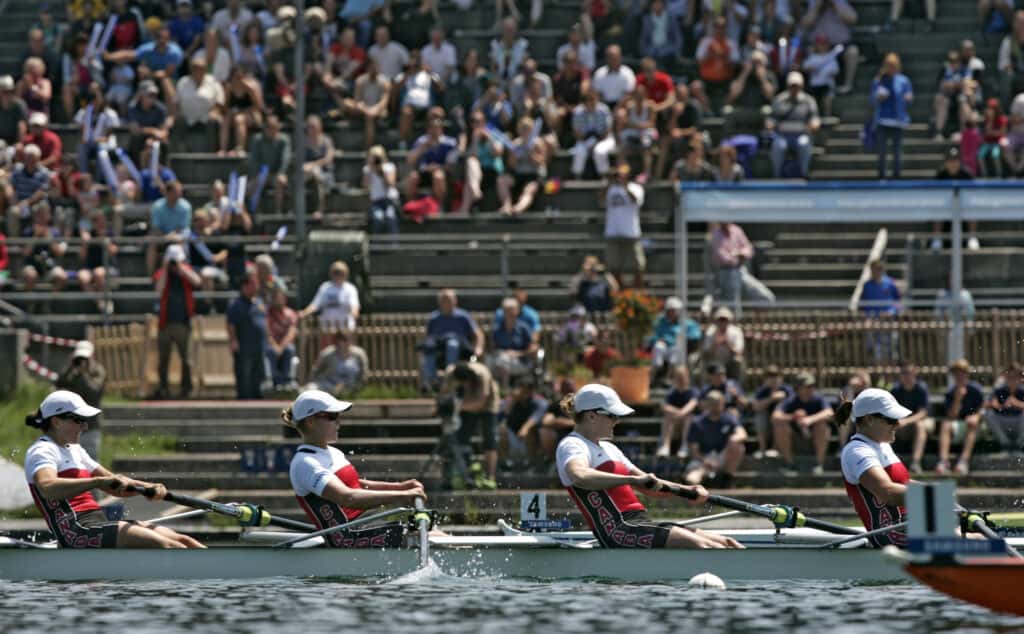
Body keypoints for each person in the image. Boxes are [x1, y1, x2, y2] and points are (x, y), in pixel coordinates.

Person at [555, 383, 743, 549]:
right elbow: (579, 475)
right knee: (702, 545)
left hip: (639, 524)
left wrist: (688, 490)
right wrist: (633, 479)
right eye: (612, 416)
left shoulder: (609, 448)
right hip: (617, 531)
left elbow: (650, 486)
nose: (617, 421)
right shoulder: (573, 445)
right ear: (591, 416)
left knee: (721, 542)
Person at [24, 390, 204, 548]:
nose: (84, 426)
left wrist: (150, 487)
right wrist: (97, 482)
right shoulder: (42, 451)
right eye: (78, 420)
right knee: (168, 545)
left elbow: (115, 484)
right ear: (56, 422)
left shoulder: (76, 451)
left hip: (98, 523)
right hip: (75, 532)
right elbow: (47, 487)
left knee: (184, 540)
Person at [284, 390, 427, 548]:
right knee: (422, 534)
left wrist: (400, 487)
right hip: (345, 538)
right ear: (310, 421)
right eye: (332, 417)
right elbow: (348, 497)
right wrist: (402, 496)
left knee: (430, 530)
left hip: (365, 523)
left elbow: (355, 485)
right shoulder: (305, 463)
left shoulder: (331, 452)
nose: (339, 422)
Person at [836, 388, 912, 547]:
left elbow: (906, 485)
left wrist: (942, 495)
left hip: (909, 526)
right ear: (870, 419)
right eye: (891, 420)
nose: (898, 424)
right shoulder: (856, 451)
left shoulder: (882, 445)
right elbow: (887, 492)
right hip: (890, 535)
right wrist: (935, 497)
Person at [441, 361, 501, 488]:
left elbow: (480, 403)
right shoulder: (450, 372)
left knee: (490, 440)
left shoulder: (482, 374)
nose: (464, 385)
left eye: (465, 383)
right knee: (462, 437)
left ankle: (490, 477)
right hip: (466, 402)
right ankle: (465, 473)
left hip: (488, 403)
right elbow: (444, 393)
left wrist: (457, 407)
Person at [153, 244, 201, 399]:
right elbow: (159, 291)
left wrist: (181, 269)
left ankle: (186, 389)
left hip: (183, 323)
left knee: (187, 360)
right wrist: (167, 270)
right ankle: (163, 389)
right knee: (163, 360)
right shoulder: (162, 273)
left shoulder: (185, 271)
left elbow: (197, 281)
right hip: (165, 323)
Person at [772, 372, 835, 476]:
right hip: (795, 440)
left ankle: (819, 464)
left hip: (815, 439)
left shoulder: (818, 399)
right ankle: (790, 464)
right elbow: (775, 416)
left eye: (812, 386)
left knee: (822, 426)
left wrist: (810, 419)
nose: (810, 389)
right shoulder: (791, 400)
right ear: (798, 388)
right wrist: (793, 417)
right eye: (807, 386)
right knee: (780, 427)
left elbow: (830, 413)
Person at [421, 289, 485, 390]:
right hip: (440, 350)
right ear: (439, 302)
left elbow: (478, 334)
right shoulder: (434, 318)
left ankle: (450, 377)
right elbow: (428, 337)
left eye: (450, 300)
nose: (448, 303)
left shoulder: (463, 316)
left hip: (461, 350)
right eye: (444, 300)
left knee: (452, 344)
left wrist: (479, 348)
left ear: (455, 301)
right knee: (429, 351)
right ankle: (431, 382)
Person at [55, 341, 107, 460]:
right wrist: (70, 367)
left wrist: (83, 375)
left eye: (84, 359)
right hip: (71, 426)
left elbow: (94, 392)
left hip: (90, 424)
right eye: (79, 358)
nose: (81, 362)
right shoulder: (71, 372)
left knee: (91, 461)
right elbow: (59, 384)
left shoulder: (98, 371)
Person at [684, 391, 747, 488]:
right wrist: (706, 461)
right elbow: (694, 451)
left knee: (738, 446)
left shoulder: (729, 419)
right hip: (702, 458)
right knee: (692, 479)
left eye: (718, 404)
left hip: (722, 456)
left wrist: (733, 439)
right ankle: (703, 485)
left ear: (723, 404)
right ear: (707, 405)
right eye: (713, 404)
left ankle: (727, 479)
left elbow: (742, 434)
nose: (716, 407)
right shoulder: (697, 423)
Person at [936, 358, 985, 475]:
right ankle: (943, 461)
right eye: (956, 373)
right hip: (959, 425)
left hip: (977, 426)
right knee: (945, 424)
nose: (959, 375)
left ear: (967, 373)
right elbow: (951, 416)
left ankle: (964, 461)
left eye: (962, 372)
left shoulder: (976, 389)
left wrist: (976, 416)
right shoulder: (951, 392)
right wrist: (958, 399)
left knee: (972, 424)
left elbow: (984, 409)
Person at [766, 72, 820, 178]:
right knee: (778, 145)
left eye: (797, 86)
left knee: (803, 143)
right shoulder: (779, 100)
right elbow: (772, 117)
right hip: (782, 135)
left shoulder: (809, 100)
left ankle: (804, 173)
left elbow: (815, 117)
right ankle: (777, 175)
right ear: (788, 86)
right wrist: (770, 123)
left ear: (802, 86)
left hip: (801, 134)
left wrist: (814, 124)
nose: (794, 88)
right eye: (792, 86)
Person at [711, 222, 775, 306]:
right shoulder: (716, 234)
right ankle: (736, 316)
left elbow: (748, 249)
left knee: (767, 297)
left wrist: (739, 253)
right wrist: (736, 255)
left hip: (741, 271)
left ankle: (754, 315)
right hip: (725, 273)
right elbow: (721, 256)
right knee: (732, 306)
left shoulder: (736, 230)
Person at [872, 53, 914, 179]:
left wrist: (908, 97)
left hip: (898, 120)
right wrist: (878, 97)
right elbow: (872, 99)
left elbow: (909, 97)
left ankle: (897, 176)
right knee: (882, 151)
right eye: (889, 65)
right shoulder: (878, 80)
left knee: (897, 151)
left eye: (893, 65)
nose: (891, 68)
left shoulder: (904, 80)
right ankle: (881, 176)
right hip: (882, 121)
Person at [603, 163, 645, 289]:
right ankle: (620, 293)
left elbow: (635, 201)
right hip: (613, 232)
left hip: (631, 232)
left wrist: (625, 186)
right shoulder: (610, 189)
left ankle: (638, 292)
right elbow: (600, 199)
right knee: (614, 266)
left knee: (638, 265)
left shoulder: (636, 188)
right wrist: (608, 183)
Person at [226, 273, 267, 400]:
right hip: (244, 345)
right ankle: (244, 399)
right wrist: (233, 341)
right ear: (245, 286)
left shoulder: (259, 301)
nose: (256, 287)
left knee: (258, 373)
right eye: (253, 284)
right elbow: (230, 324)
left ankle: (257, 397)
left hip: (258, 345)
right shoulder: (236, 304)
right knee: (244, 374)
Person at [889, 361, 933, 474]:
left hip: (920, 423)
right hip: (902, 425)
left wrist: (906, 421)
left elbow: (923, 413)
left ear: (915, 374)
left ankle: (915, 462)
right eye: (904, 373)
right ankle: (886, 463)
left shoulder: (922, 388)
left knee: (920, 425)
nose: (907, 376)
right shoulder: (895, 389)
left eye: (909, 373)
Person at [500, 376, 550, 467]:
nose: (524, 393)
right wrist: (513, 400)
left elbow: (536, 417)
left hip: (529, 437)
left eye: (528, 389)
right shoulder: (511, 400)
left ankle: (530, 464)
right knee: (501, 430)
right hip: (512, 434)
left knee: (531, 430)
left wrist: (525, 428)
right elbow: (503, 414)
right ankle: (506, 464)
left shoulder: (540, 402)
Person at [299, 260, 360, 330]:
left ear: (346, 274)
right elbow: (315, 305)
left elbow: (354, 306)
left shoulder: (350, 288)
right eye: (336, 273)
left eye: (341, 273)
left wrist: (355, 313)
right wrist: (304, 313)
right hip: (327, 327)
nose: (338, 275)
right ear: (331, 273)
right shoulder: (325, 287)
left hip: (345, 327)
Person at [570, 89, 616, 180]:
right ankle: (577, 176)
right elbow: (576, 132)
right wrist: (587, 141)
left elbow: (608, 130)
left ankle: (604, 176)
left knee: (599, 151)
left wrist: (596, 142)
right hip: (584, 139)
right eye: (588, 100)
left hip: (604, 139)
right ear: (584, 102)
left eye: (593, 100)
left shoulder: (604, 110)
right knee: (579, 152)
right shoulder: (577, 112)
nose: (591, 103)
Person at [306, 330, 369, 395]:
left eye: (345, 340)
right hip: (329, 385)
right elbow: (316, 369)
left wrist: (359, 385)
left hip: (351, 386)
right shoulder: (327, 354)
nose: (342, 343)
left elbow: (364, 373)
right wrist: (313, 380)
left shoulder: (359, 354)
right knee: (310, 388)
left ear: (350, 341)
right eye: (339, 341)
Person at [656, 365, 699, 458]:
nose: (681, 380)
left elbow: (692, 405)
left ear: (687, 377)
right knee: (668, 417)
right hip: (675, 425)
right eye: (678, 377)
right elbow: (664, 406)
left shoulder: (693, 391)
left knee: (688, 418)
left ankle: (684, 446)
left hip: (688, 425)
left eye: (683, 377)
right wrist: (678, 413)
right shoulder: (672, 392)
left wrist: (680, 413)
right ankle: (665, 446)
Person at [751, 364, 792, 459]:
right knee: (759, 416)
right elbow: (756, 407)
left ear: (781, 378)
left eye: (776, 376)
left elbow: (792, 407)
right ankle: (762, 449)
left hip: (785, 422)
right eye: (770, 376)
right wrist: (771, 399)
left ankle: (776, 448)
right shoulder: (762, 391)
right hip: (767, 422)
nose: (773, 379)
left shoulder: (787, 389)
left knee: (778, 417)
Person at [647, 296, 687, 384]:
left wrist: (668, 340)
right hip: (662, 346)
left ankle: (668, 378)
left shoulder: (683, 323)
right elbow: (653, 335)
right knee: (658, 347)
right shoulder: (659, 321)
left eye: (674, 310)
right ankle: (652, 378)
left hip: (675, 347)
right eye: (670, 310)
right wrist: (658, 339)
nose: (672, 313)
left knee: (676, 350)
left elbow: (691, 334)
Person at [986, 361, 1024, 453]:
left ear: (1020, 378)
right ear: (1005, 377)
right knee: (988, 414)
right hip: (1003, 423)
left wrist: (1016, 403)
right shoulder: (999, 389)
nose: (1012, 379)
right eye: (1010, 377)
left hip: (1019, 424)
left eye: (1015, 377)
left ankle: (1018, 445)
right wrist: (999, 405)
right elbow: (987, 404)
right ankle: (1005, 444)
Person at [266, 288, 299, 391]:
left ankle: (287, 381)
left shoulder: (290, 313)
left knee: (289, 349)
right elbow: (267, 333)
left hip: (285, 345)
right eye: (276, 298)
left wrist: (281, 347)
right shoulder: (267, 313)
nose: (279, 300)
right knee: (270, 351)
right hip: (272, 345)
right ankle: (275, 382)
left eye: (281, 298)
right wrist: (275, 346)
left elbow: (291, 332)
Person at [701, 307, 745, 380]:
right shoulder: (710, 332)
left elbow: (739, 352)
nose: (722, 322)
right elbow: (705, 353)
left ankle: (737, 387)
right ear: (716, 321)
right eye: (720, 320)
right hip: (714, 362)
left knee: (738, 361)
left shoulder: (736, 332)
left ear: (729, 321)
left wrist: (727, 344)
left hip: (730, 362)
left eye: (725, 320)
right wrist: (715, 344)